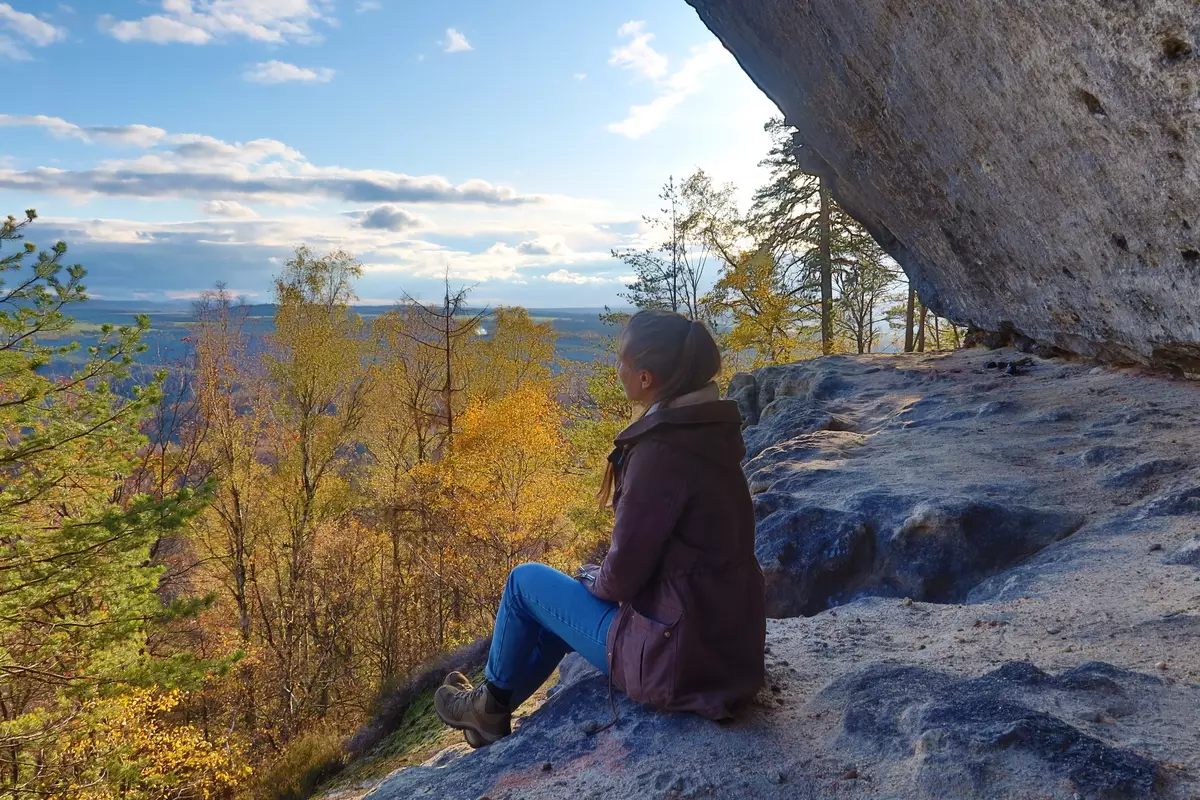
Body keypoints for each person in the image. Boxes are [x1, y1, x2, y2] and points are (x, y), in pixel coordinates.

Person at [434, 309, 765, 747]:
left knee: (524, 583)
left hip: (676, 661)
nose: (618, 369)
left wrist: (595, 580)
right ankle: (490, 708)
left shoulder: (662, 453)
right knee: (557, 603)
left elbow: (622, 577)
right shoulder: (709, 432)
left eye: (622, 362)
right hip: (724, 648)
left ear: (646, 378)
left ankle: (488, 707)